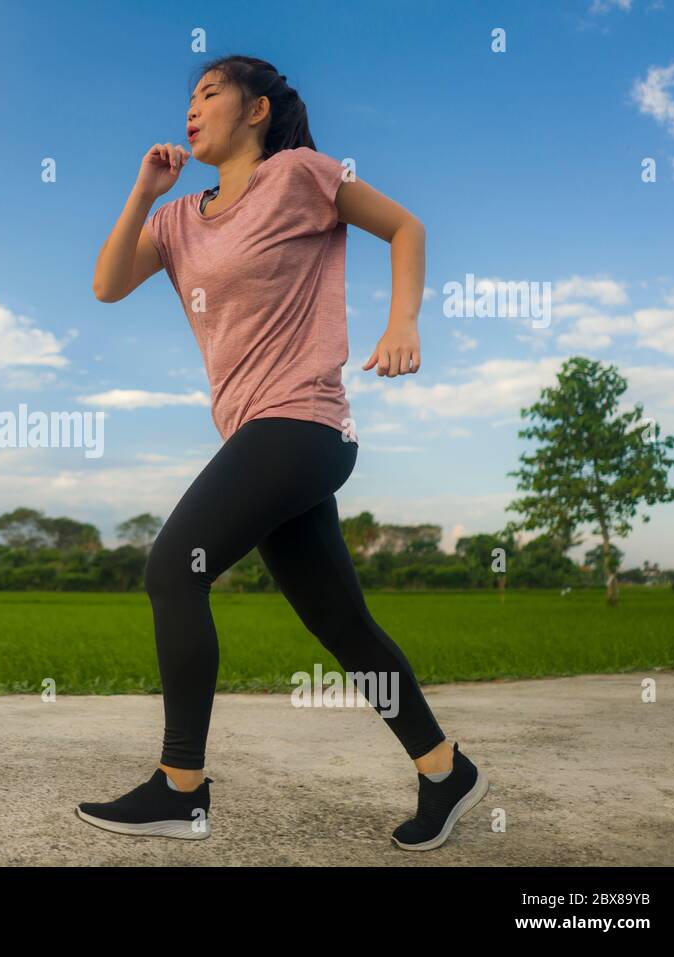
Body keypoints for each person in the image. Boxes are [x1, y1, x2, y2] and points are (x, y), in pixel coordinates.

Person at [78, 55, 489, 850]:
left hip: (302, 423)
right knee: (343, 625)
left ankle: (181, 787)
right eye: (187, 97)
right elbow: (105, 284)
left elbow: (407, 227)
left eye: (208, 93)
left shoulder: (300, 173)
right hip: (258, 437)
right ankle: (446, 770)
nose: (191, 108)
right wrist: (142, 194)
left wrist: (403, 323)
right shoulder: (177, 220)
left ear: (256, 109)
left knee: (173, 567)